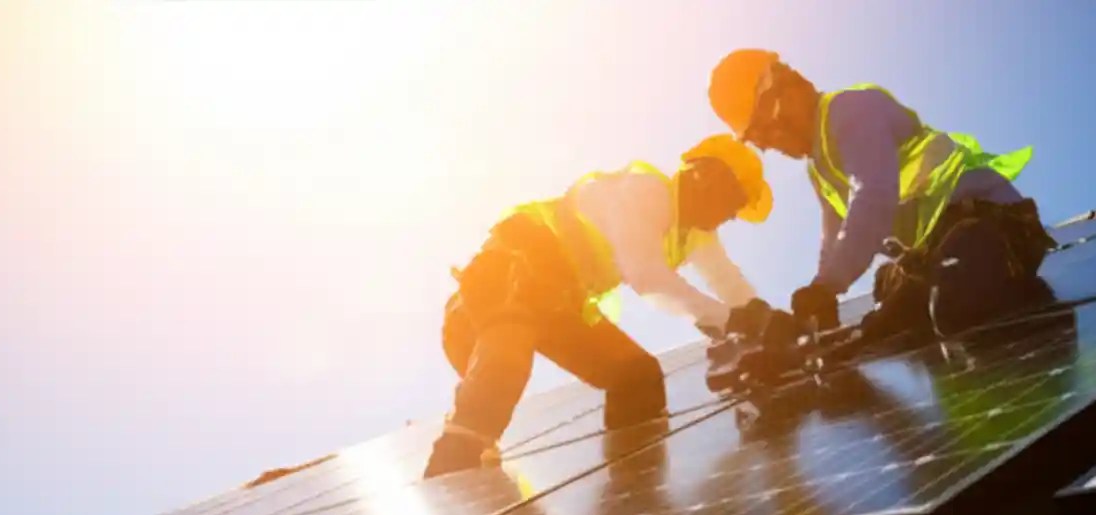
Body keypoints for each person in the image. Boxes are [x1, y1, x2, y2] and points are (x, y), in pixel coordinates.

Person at [423, 135, 773, 478]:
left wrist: (770, 323)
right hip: (511, 269)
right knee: (505, 362)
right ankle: (452, 469)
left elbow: (728, 282)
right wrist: (732, 321)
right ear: (706, 177)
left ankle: (633, 500)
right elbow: (646, 276)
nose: (732, 216)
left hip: (558, 304)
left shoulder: (695, 234)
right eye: (734, 201)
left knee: (636, 377)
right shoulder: (647, 191)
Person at [707, 49, 1057, 340]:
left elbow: (874, 196)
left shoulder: (851, 110)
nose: (768, 146)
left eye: (762, 131)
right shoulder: (819, 167)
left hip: (991, 223)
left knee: (956, 306)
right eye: (756, 140)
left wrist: (829, 285)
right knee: (889, 326)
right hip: (935, 252)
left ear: (784, 92)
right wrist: (816, 300)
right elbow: (833, 237)